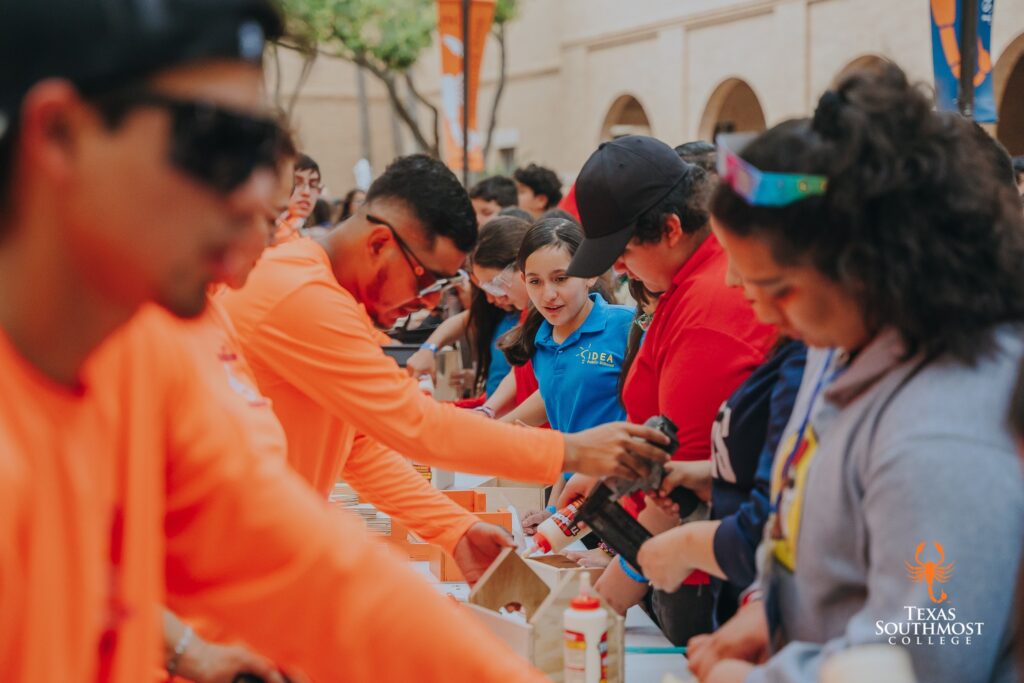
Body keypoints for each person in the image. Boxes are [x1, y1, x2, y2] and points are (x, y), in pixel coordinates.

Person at [0, 1, 564, 681]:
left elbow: (305, 567)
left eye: (260, 152)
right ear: (59, 135)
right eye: (217, 145)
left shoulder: (144, 352)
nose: (253, 198)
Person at [691, 63, 1024, 683]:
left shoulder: (940, 434)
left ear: (865, 266)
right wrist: (774, 611)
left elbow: (932, 652)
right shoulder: (868, 349)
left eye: (778, 288)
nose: (755, 305)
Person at [220, 152, 672, 505]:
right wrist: (571, 453)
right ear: (381, 244)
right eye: (427, 279)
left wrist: (456, 532)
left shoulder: (329, 296)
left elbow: (359, 448)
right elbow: (415, 426)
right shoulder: (304, 296)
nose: (433, 302)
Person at [560, 135, 777, 645]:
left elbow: (676, 496)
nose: (617, 268)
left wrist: (595, 608)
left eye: (623, 251)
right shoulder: (685, 286)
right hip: (672, 556)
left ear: (672, 229)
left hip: (699, 576)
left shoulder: (709, 307)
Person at [499, 219, 634, 509]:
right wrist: (552, 512)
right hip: (574, 506)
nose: (548, 294)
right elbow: (566, 438)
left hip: (627, 501)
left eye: (560, 278)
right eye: (535, 281)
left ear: (590, 274)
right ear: (523, 281)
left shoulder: (626, 326)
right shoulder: (541, 344)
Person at [405, 216, 530, 398]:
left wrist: (489, 412)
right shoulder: (505, 313)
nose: (491, 298)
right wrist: (429, 349)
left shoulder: (538, 320)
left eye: (494, 286)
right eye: (483, 289)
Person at [272, 152, 320, 244]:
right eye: (297, 183)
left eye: (313, 184)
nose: (306, 192)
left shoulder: (303, 232)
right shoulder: (265, 234)